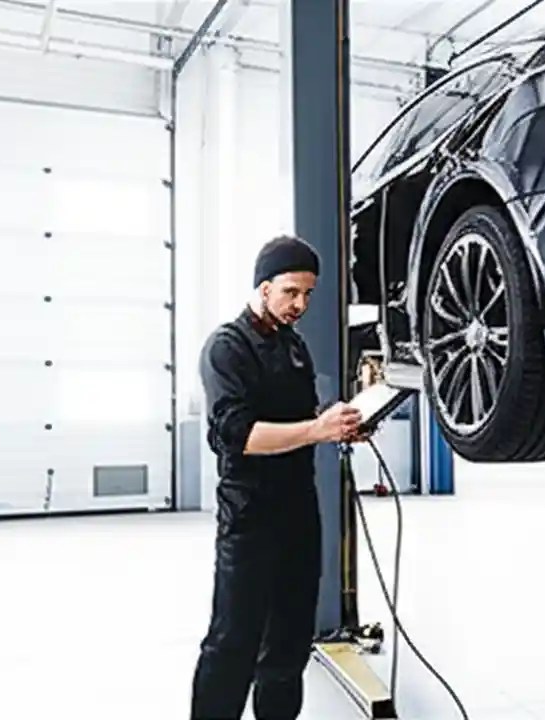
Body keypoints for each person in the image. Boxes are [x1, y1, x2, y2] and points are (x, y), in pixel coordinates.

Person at [190, 235, 365, 719]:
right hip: (250, 517)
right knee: (233, 645)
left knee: (288, 647)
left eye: (308, 294)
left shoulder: (293, 346)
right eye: (291, 292)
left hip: (298, 515)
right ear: (263, 287)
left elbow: (302, 418)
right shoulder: (226, 348)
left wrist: (340, 425)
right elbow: (238, 435)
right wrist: (316, 429)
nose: (300, 304)